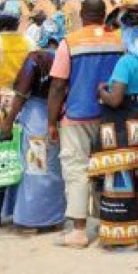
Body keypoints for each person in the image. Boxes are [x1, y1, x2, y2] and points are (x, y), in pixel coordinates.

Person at [47, 0, 123, 249]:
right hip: (111, 116)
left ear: (82, 13)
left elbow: (58, 86)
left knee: (76, 170)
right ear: (104, 14)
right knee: (108, 169)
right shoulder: (118, 40)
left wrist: (50, 122)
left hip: (77, 117)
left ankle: (79, 231)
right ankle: (108, 224)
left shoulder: (70, 42)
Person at [87, 5, 138, 248]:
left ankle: (125, 235)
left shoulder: (125, 62)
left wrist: (101, 91)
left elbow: (116, 99)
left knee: (120, 177)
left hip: (122, 129)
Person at [0, 17, 66, 232]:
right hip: (57, 118)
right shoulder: (66, 57)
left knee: (34, 169)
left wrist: (8, 121)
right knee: (53, 170)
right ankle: (55, 218)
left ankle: (33, 220)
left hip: (36, 118)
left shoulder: (36, 58)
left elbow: (21, 93)